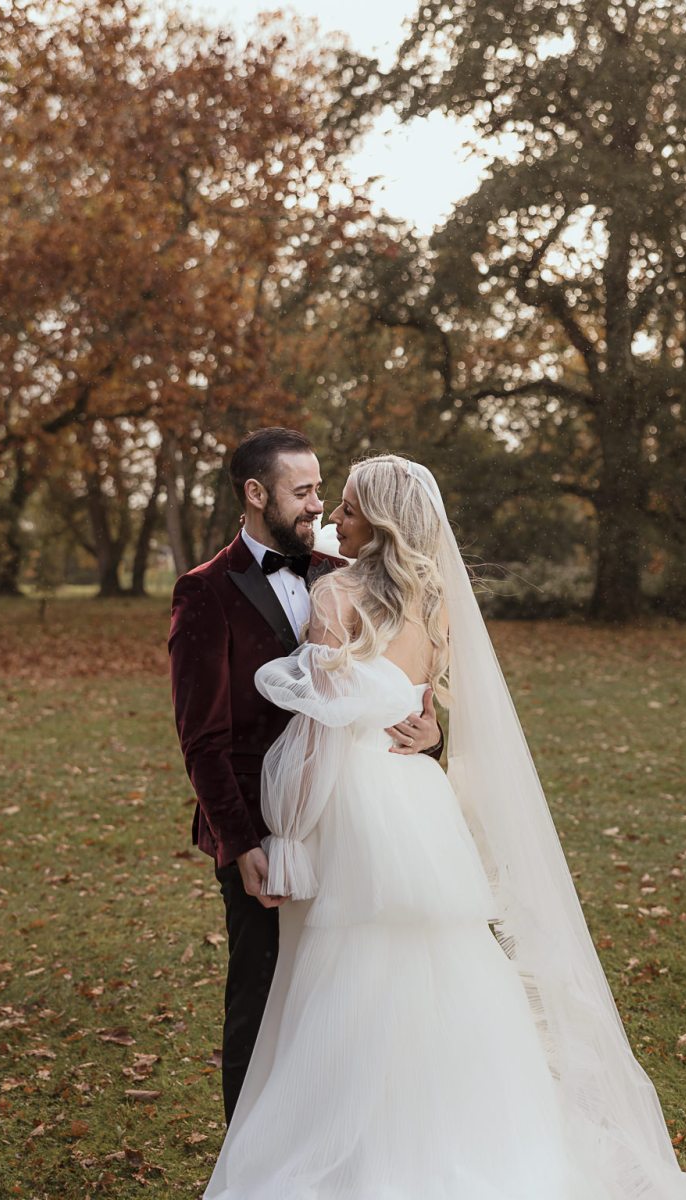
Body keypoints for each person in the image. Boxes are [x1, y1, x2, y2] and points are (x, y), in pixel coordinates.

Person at [203, 454, 686, 1200]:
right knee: (443, 963)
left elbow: (318, 737)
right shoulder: (434, 603)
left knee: (346, 971)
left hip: (355, 803)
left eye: (347, 508)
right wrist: (428, 736)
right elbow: (430, 704)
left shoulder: (335, 594)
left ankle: (356, 1144)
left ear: (379, 520)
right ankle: (467, 1133)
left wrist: (287, 834)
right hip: (417, 805)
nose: (334, 519)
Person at [167, 430, 443, 1124]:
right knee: (260, 995)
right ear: (256, 495)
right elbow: (202, 737)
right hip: (261, 829)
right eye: (305, 492)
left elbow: (409, 691)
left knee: (348, 993)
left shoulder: (347, 573)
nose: (319, 506)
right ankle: (248, 1153)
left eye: (325, 491)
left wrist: (434, 735)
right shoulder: (204, 592)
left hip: (357, 825)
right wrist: (243, 843)